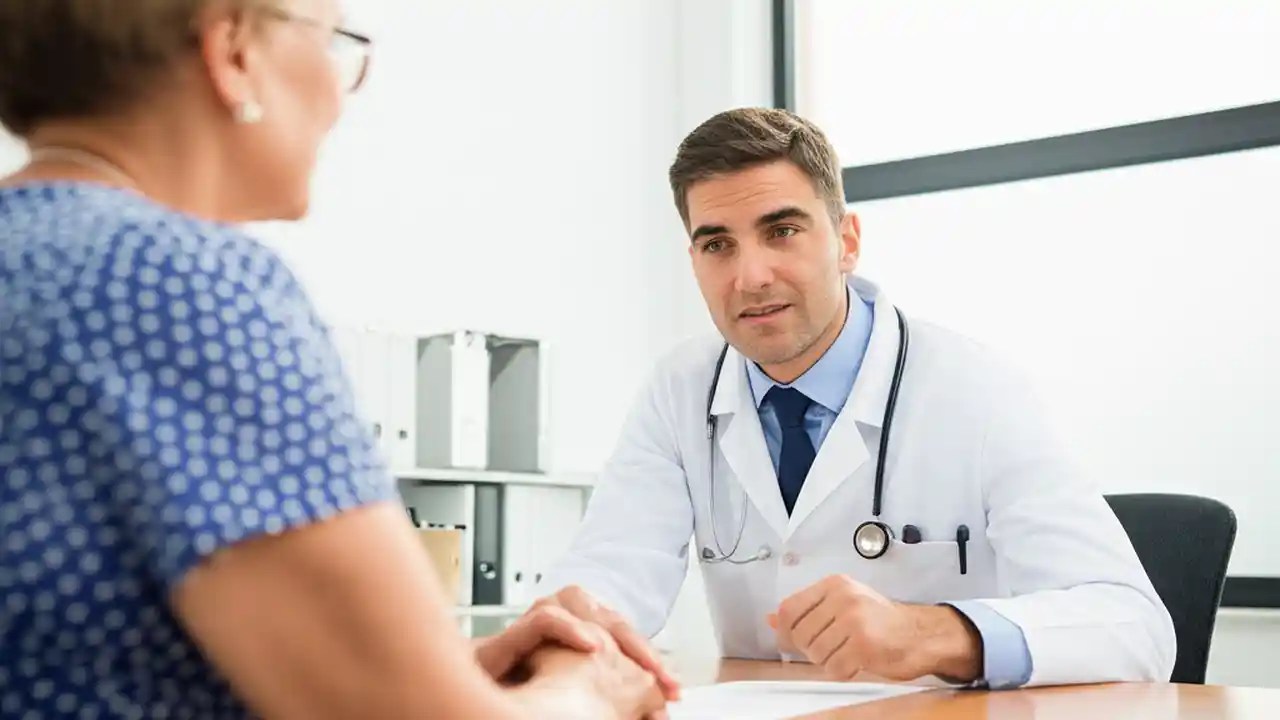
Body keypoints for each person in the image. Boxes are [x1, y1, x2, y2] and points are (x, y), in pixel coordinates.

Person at [0, 1, 672, 717]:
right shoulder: (177, 285)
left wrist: (435, 673)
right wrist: (588, 689)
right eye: (334, 43)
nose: (339, 92)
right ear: (232, 50)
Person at [534, 108, 1177, 689]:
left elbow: (1134, 624)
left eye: (781, 231)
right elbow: (613, 568)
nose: (750, 276)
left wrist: (932, 632)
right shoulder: (680, 389)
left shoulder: (975, 389)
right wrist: (568, 633)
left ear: (846, 240)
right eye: (717, 244)